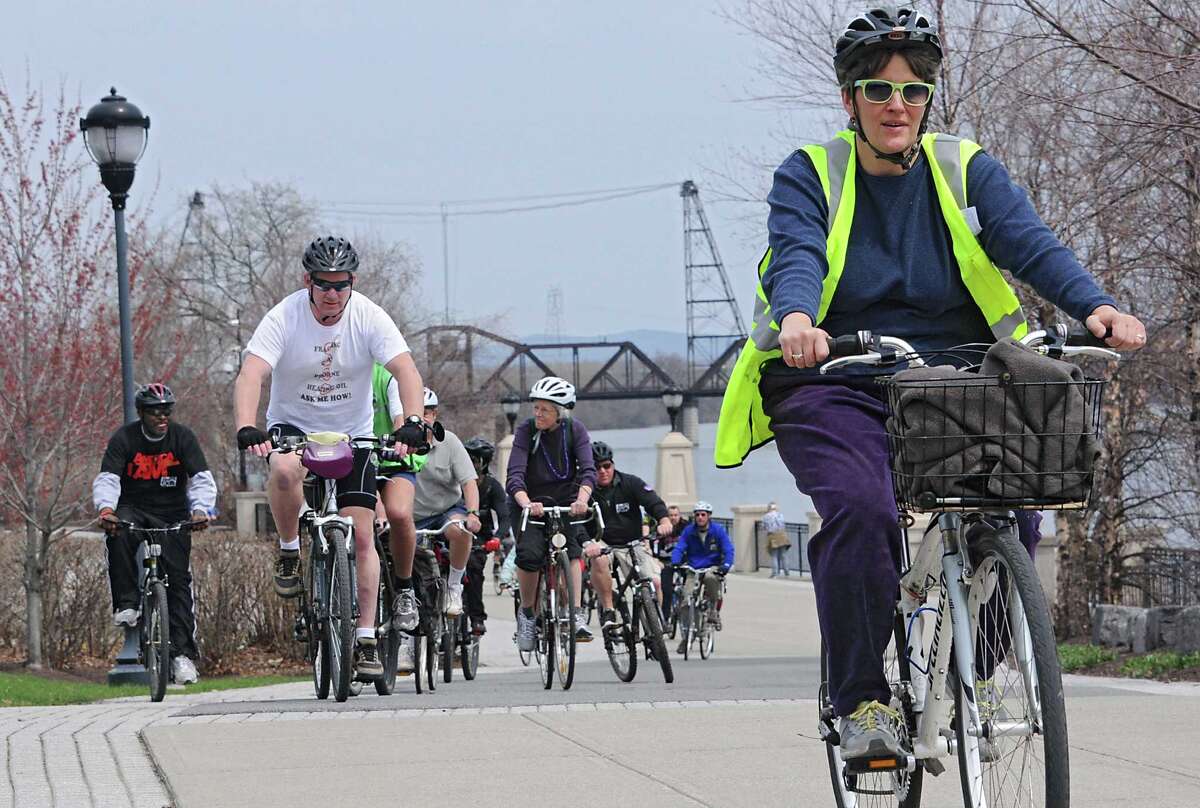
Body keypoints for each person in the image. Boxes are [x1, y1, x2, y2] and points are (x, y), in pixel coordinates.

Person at [712, 6, 1148, 760]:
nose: (897, 106)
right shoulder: (810, 172)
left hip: (954, 377)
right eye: (879, 90)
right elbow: (798, 251)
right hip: (834, 373)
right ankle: (863, 702)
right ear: (849, 99)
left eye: (913, 92)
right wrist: (797, 319)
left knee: (1018, 517)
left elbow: (1029, 242)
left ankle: (967, 672)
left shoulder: (963, 167)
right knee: (862, 509)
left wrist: (1095, 305)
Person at [234, 236, 428, 679]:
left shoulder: (369, 316)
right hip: (294, 429)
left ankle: (365, 639)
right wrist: (247, 425)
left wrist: (414, 421)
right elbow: (252, 372)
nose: (333, 294)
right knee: (284, 470)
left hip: (352, 434)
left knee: (362, 536)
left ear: (351, 282)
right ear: (308, 281)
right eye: (324, 284)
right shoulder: (284, 316)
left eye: (342, 285)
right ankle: (289, 549)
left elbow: (406, 370)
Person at [93, 383, 215, 685]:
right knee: (118, 533)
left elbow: (201, 478)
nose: (162, 417)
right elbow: (108, 478)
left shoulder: (182, 437)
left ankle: (182, 656)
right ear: (141, 413)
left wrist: (201, 510)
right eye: (154, 412)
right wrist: (106, 509)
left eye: (166, 411)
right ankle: (127, 603)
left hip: (172, 513)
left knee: (179, 582)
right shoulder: (124, 438)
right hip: (133, 508)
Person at [506, 376, 597, 649]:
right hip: (529, 502)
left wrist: (582, 500)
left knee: (572, 550)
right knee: (529, 555)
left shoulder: (575, 430)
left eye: (544, 409)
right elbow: (514, 476)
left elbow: (588, 471)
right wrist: (526, 503)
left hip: (566, 502)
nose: (537, 413)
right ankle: (528, 614)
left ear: (560, 412)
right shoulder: (526, 431)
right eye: (535, 407)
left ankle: (576, 613)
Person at [371, 362, 428, 674]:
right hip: (351, 461)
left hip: (391, 460)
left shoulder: (385, 374)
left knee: (398, 513)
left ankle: (404, 589)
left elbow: (398, 411)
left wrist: (400, 434)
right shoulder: (333, 370)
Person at [582, 441, 671, 631]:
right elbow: (575, 523)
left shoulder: (631, 482)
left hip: (632, 542)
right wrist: (587, 543)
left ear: (613, 464)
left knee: (655, 581)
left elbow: (653, 502)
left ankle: (656, 625)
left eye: (606, 466)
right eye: (597, 467)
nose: (603, 471)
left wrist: (664, 520)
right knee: (599, 560)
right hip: (601, 542)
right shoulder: (584, 491)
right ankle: (609, 609)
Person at [411, 388, 482, 619]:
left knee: (460, 530)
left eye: (426, 413)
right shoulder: (399, 443)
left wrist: (473, 513)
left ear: (434, 415)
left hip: (446, 510)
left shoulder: (449, 441)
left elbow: (469, 482)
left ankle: (454, 586)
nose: (421, 419)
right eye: (415, 412)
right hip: (411, 517)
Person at [670, 502, 734, 654]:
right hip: (694, 568)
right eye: (697, 514)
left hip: (712, 566)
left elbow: (728, 549)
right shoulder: (689, 531)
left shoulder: (718, 530)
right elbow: (680, 547)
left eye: (703, 514)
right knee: (686, 600)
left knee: (711, 579)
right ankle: (688, 636)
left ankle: (713, 609)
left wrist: (726, 565)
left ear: (708, 516)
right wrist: (675, 561)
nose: (700, 517)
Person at [463, 436, 510, 635]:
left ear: (483, 463)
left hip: (480, 539)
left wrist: (497, 538)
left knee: (473, 567)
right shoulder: (455, 482)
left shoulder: (492, 486)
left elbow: (505, 517)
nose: (470, 464)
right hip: (454, 532)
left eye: (474, 460)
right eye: (467, 459)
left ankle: (476, 618)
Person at [655, 504, 689, 619]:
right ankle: (665, 618)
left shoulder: (687, 527)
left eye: (676, 515)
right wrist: (656, 559)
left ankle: (685, 610)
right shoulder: (662, 528)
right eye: (671, 515)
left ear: (680, 516)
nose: (673, 518)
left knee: (688, 586)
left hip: (683, 561)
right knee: (666, 590)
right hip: (666, 561)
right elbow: (655, 545)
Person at [763, 502, 790, 578]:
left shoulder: (766, 516)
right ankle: (787, 572)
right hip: (782, 535)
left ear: (769, 508)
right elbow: (783, 524)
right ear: (776, 508)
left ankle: (775, 573)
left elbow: (764, 527)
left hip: (772, 536)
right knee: (784, 555)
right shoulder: (780, 515)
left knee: (774, 555)